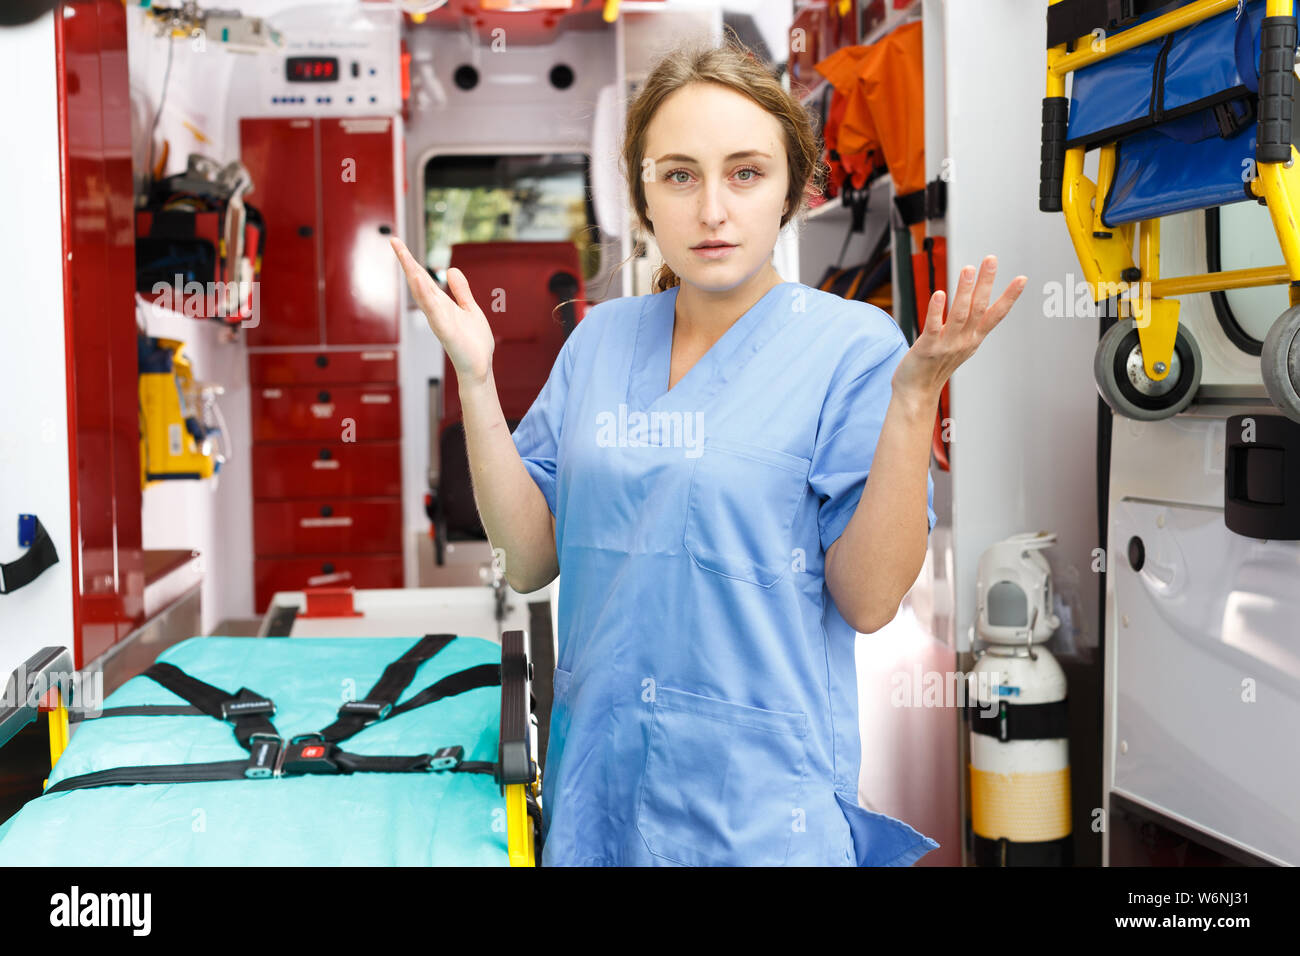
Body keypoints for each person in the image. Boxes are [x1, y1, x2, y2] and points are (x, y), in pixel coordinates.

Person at [391, 38, 1026, 866]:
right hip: (599, 796)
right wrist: (475, 382)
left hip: (759, 811)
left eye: (746, 173)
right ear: (644, 196)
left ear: (795, 191)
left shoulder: (851, 347)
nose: (712, 210)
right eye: (680, 174)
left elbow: (869, 601)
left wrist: (913, 403)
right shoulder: (599, 341)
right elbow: (528, 559)